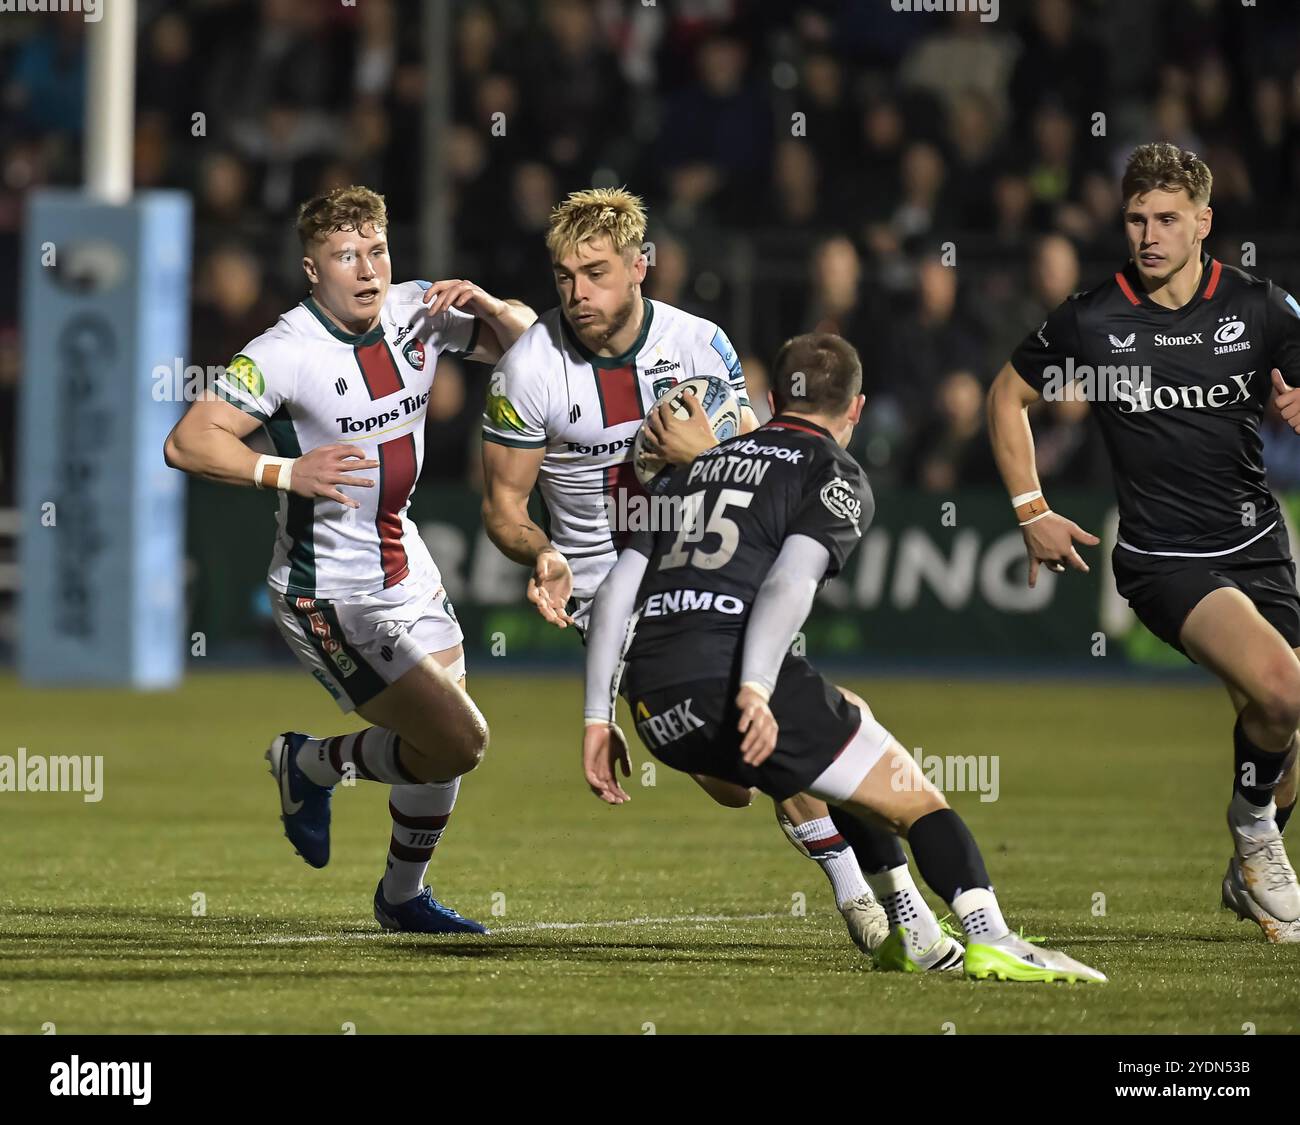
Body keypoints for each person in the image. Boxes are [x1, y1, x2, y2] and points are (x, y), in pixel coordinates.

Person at [583, 332, 1106, 982]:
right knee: (919, 801)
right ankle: (991, 934)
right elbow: (789, 584)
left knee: (847, 731)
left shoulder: (689, 470)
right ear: (856, 410)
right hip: (725, 681)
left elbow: (612, 597)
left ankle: (909, 927)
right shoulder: (831, 470)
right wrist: (753, 686)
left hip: (653, 706)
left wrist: (597, 719)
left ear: (771, 400)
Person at [479, 187, 895, 955]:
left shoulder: (703, 344)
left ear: (643, 266)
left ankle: (870, 899)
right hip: (612, 589)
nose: (577, 294)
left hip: (710, 565)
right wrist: (541, 551)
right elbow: (503, 505)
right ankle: (881, 879)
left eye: (596, 273)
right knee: (734, 783)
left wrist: (698, 458)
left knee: (767, 730)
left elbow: (750, 457)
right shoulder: (528, 369)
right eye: (564, 276)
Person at [164, 185, 536, 933]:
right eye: (345, 255)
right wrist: (285, 471)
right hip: (328, 593)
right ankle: (313, 767)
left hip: (406, 564)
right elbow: (188, 440)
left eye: (376, 250)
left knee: (439, 751)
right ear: (312, 269)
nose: (367, 269)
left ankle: (395, 887)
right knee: (461, 740)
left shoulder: (418, 311)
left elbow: (541, 357)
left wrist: (496, 308)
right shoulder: (284, 351)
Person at [987, 143, 1300, 943]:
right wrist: (1032, 508)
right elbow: (1007, 394)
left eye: (1166, 219)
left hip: (1259, 544)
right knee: (1283, 689)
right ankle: (1257, 836)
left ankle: (1248, 865)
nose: (1148, 234)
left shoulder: (1263, 307)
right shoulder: (1094, 317)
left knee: (1283, 719)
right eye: (1135, 218)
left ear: (1204, 222)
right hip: (1164, 558)